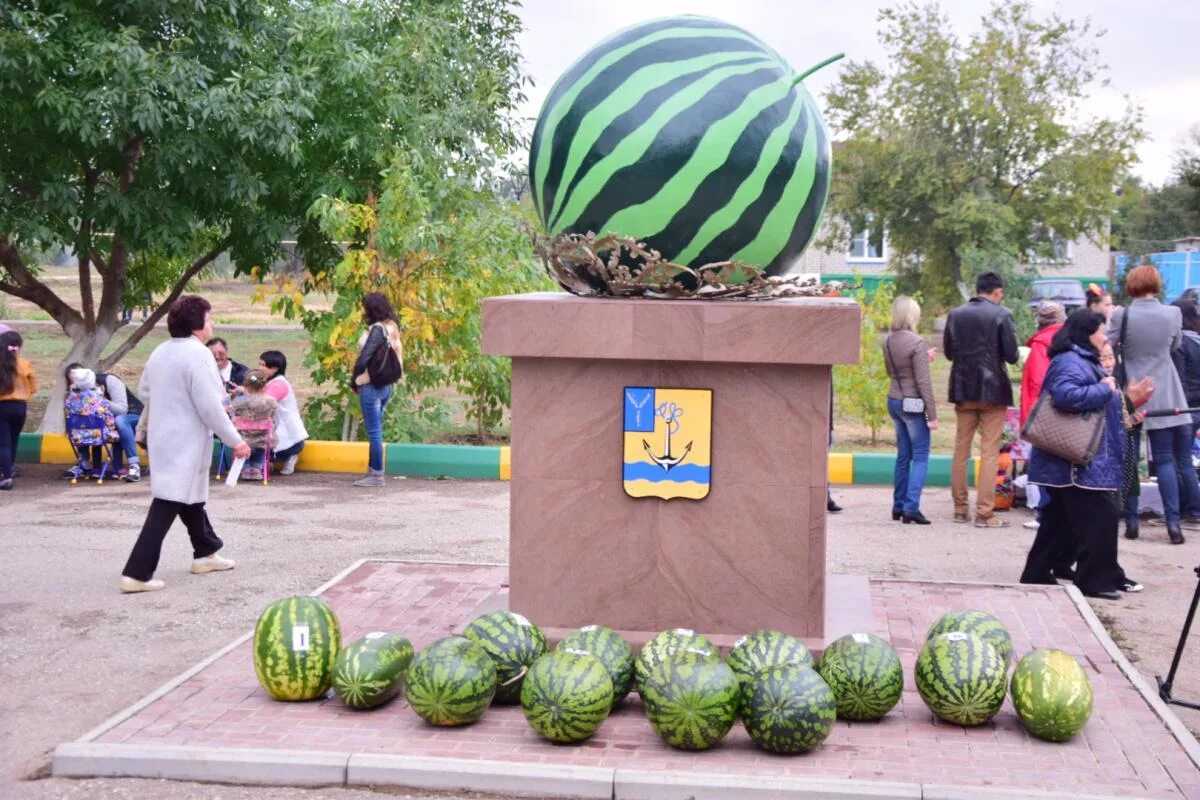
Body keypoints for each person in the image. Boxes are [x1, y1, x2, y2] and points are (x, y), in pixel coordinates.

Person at [119, 295, 250, 594]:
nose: (212, 323)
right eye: (210, 318)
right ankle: (137, 573)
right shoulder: (197, 354)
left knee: (188, 497)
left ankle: (205, 552)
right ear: (198, 323)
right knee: (168, 501)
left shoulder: (160, 352)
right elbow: (210, 407)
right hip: (185, 440)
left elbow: (146, 391)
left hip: (164, 436)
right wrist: (235, 441)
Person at [1021, 310, 1149, 599]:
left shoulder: (1076, 359)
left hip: (1078, 462)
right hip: (1077, 463)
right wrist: (1104, 389)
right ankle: (1093, 581)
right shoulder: (1071, 361)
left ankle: (1037, 573)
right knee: (1101, 517)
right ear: (1087, 332)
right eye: (1102, 331)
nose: (1105, 338)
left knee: (1060, 521)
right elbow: (1066, 396)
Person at [1108, 264, 1199, 545]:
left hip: (1132, 391)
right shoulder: (1172, 314)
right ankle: (1173, 524)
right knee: (1166, 458)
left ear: (1132, 285)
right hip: (1165, 389)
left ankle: (1132, 521)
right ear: (1157, 284)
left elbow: (1111, 346)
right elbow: (1174, 347)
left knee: (1130, 458)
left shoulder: (1122, 315)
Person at [944, 271, 1020, 527]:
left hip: (963, 388)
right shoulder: (1002, 314)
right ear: (997, 292)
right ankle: (985, 513)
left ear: (977, 289)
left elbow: (948, 352)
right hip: (993, 391)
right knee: (989, 452)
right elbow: (1011, 356)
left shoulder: (955, 314)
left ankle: (960, 508)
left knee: (960, 450)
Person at [883, 295, 938, 524]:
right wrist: (932, 416)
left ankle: (898, 506)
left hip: (893, 400)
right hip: (912, 404)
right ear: (911, 315)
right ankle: (911, 507)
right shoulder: (916, 342)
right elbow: (923, 382)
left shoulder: (888, 340)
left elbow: (892, 371)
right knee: (921, 457)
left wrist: (923, 359)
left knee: (903, 456)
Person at [1018, 302, 1067, 530]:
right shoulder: (1068, 340)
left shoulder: (1040, 345)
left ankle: (1044, 515)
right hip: (1063, 412)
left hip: (1044, 414)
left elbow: (1037, 382)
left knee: (1045, 466)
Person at [351, 293, 404, 488]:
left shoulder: (377, 329)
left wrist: (355, 381)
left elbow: (365, 358)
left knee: (374, 432)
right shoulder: (393, 326)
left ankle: (376, 475)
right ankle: (374, 470)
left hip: (371, 385)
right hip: (387, 386)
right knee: (377, 429)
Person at [65, 362, 145, 482]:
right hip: (106, 420)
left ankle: (134, 465)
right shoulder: (78, 394)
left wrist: (100, 400)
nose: (74, 385)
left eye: (75, 381)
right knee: (82, 421)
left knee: (119, 420)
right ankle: (85, 463)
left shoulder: (109, 381)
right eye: (71, 382)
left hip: (132, 413)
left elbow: (122, 410)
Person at [248, 350, 308, 478]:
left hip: (289, 437)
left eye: (263, 365)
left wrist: (246, 392)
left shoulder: (279, 384)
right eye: (259, 364)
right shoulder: (268, 381)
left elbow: (263, 401)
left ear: (275, 368)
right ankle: (266, 462)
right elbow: (251, 380)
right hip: (274, 431)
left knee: (260, 445)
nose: (260, 368)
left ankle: (289, 455)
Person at [63, 366, 118, 479]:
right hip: (98, 435)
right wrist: (112, 426)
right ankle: (97, 469)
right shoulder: (98, 398)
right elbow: (107, 415)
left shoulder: (71, 399)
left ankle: (84, 463)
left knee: (85, 431)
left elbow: (68, 411)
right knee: (98, 432)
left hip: (77, 436)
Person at [0, 331, 36, 490]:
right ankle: (9, 471)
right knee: (13, 441)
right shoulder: (24, 363)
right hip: (20, 407)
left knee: (3, 443)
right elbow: (34, 387)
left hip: (1, 407)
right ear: (18, 347)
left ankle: (5, 476)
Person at [231, 370, 278, 481]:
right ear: (264, 385)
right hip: (262, 438)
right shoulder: (271, 401)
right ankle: (257, 468)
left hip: (244, 438)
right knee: (261, 449)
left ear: (246, 386)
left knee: (244, 439)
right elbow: (273, 415)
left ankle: (246, 468)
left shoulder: (240, 401)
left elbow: (232, 411)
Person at [1170, 298, 1200, 449]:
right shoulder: (1197, 339)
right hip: (1197, 405)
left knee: (1179, 457)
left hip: (1186, 406)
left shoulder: (1180, 343)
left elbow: (1180, 377)